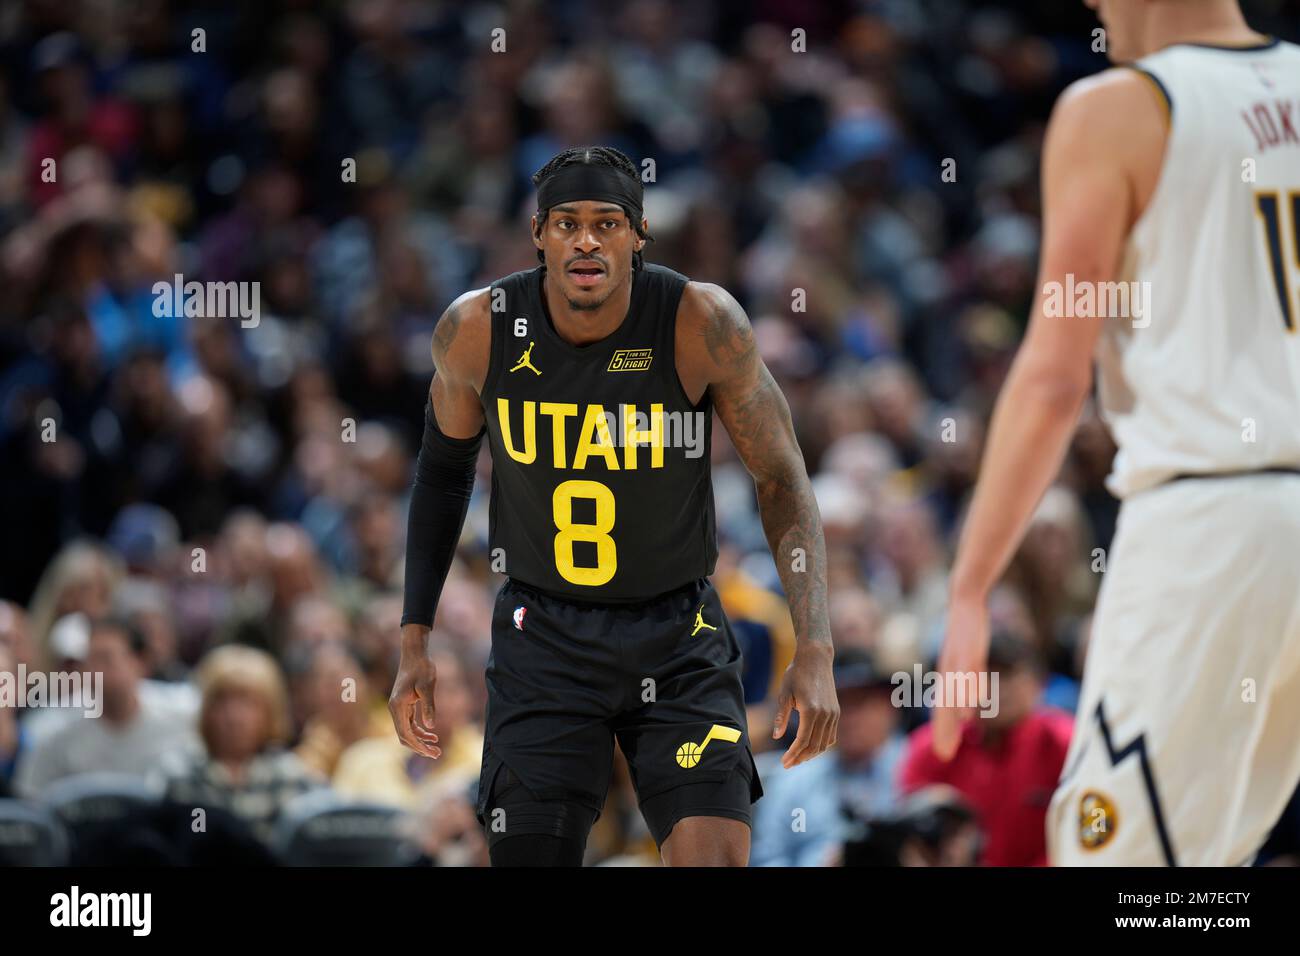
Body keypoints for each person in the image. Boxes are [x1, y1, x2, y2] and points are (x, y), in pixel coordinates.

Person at [391, 145, 838, 867]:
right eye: (566, 223)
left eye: (607, 223)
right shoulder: (477, 328)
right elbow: (442, 477)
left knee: (716, 856)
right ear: (538, 235)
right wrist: (413, 640)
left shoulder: (700, 322)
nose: (587, 240)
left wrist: (815, 647)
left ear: (638, 235)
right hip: (545, 634)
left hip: (679, 628)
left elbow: (783, 481)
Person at [934, 0, 1300, 866]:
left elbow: (1057, 377)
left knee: (1120, 866)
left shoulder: (1119, 108)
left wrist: (970, 586)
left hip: (1214, 522)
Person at [902, 633, 1072, 866]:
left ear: (1037, 682)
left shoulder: (1066, 745)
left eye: (1006, 674)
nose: (993, 688)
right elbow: (910, 838)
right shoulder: (933, 747)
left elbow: (1090, 831)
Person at [750, 649, 904, 867]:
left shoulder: (913, 769)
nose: (850, 718)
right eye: (840, 704)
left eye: (860, 704)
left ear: (888, 709)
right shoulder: (794, 780)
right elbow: (767, 858)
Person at [14, 617, 198, 796]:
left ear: (141, 663)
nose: (95, 671)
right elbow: (31, 796)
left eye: (106, 659)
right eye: (89, 661)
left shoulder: (184, 714)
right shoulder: (52, 728)